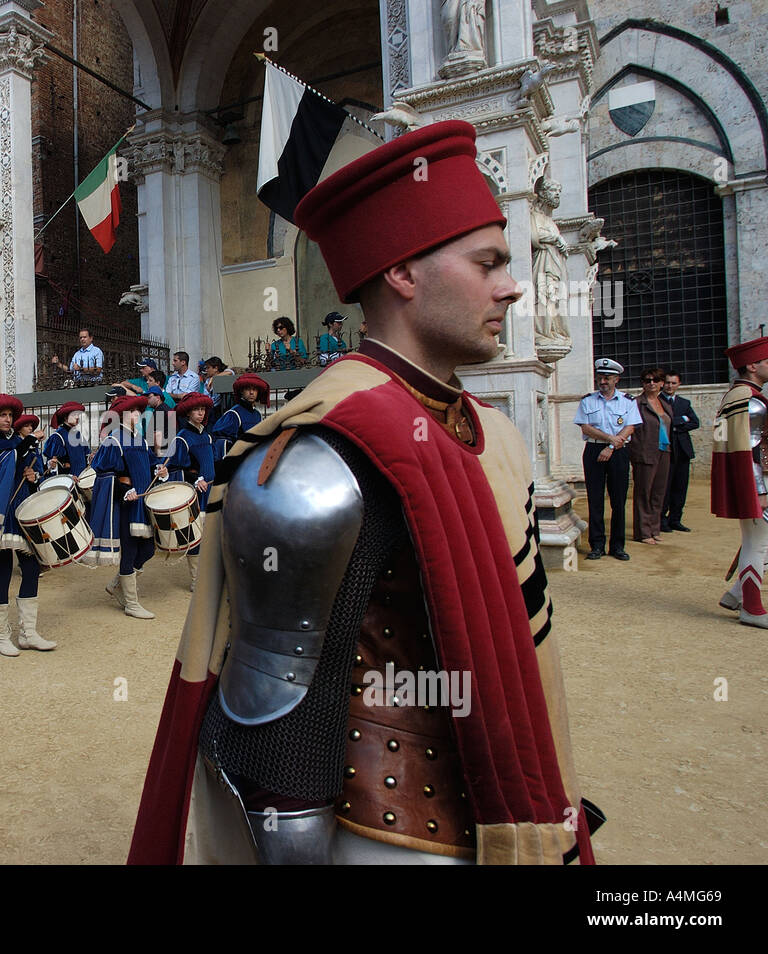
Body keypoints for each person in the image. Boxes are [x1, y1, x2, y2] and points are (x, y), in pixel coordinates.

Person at [128, 120, 600, 866]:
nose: (512, 286)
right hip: (392, 826)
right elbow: (272, 694)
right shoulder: (323, 453)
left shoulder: (489, 432)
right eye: (487, 263)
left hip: (508, 802)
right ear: (403, 274)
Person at [0, 394, 56, 656]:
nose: (8, 420)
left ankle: (28, 633)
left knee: (30, 569)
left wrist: (31, 476)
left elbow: (24, 470)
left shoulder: (17, 442)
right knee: (3, 574)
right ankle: (1, 636)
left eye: (10, 415)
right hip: (0, 515)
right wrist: (26, 443)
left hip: (21, 512)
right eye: (2, 415)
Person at [87, 394, 169, 619]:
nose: (138, 415)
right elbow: (104, 473)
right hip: (127, 503)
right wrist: (126, 492)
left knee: (148, 549)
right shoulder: (113, 440)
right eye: (134, 412)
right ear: (123, 414)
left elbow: (152, 463)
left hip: (143, 503)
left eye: (138, 412)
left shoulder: (141, 440)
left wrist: (159, 470)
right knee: (131, 550)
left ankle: (116, 585)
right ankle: (132, 603)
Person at [712, 337, 768, 629]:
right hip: (760, 482)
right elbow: (748, 449)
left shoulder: (741, 396)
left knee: (762, 543)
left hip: (761, 480)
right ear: (752, 366)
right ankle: (752, 608)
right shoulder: (749, 401)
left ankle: (737, 594)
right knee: (756, 544)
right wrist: (758, 490)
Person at [574, 358, 640, 560]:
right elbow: (585, 427)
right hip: (594, 451)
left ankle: (618, 546)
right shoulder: (588, 401)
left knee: (618, 500)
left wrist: (611, 446)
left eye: (607, 378)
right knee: (595, 500)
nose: (602, 381)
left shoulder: (628, 401)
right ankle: (597, 545)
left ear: (616, 379)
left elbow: (631, 427)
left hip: (618, 452)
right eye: (600, 378)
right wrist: (610, 439)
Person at [161, 393, 215, 591]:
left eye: (203, 410)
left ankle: (208, 575)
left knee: (210, 534)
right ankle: (196, 579)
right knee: (195, 535)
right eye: (196, 410)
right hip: (195, 491)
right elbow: (176, 467)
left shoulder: (208, 436)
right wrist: (196, 479)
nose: (201, 413)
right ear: (188, 413)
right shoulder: (182, 438)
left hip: (211, 490)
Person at [629, 368, 671, 545]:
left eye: (655, 380)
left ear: (662, 383)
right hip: (645, 451)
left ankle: (655, 528)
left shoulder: (665, 403)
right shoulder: (637, 403)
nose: (651, 383)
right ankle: (643, 532)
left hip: (664, 450)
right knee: (643, 492)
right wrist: (637, 451)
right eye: (647, 380)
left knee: (658, 492)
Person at [660, 370, 699, 532]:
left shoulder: (684, 403)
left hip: (682, 451)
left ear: (679, 384)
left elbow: (695, 422)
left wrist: (673, 425)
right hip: (665, 450)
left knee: (680, 487)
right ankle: (661, 520)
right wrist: (681, 420)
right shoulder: (657, 401)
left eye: (673, 383)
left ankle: (675, 519)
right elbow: (660, 423)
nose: (670, 386)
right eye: (667, 382)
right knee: (665, 487)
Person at [210, 373, 269, 460]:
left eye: (254, 389)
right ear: (242, 391)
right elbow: (222, 440)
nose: (251, 392)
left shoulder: (257, 415)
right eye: (248, 389)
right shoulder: (234, 413)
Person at [43, 401, 91, 478]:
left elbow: (86, 455)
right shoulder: (57, 436)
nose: (77, 417)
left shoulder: (78, 435)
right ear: (65, 417)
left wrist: (90, 457)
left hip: (81, 478)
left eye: (78, 414)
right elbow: (55, 465)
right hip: (67, 482)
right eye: (74, 415)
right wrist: (69, 476)